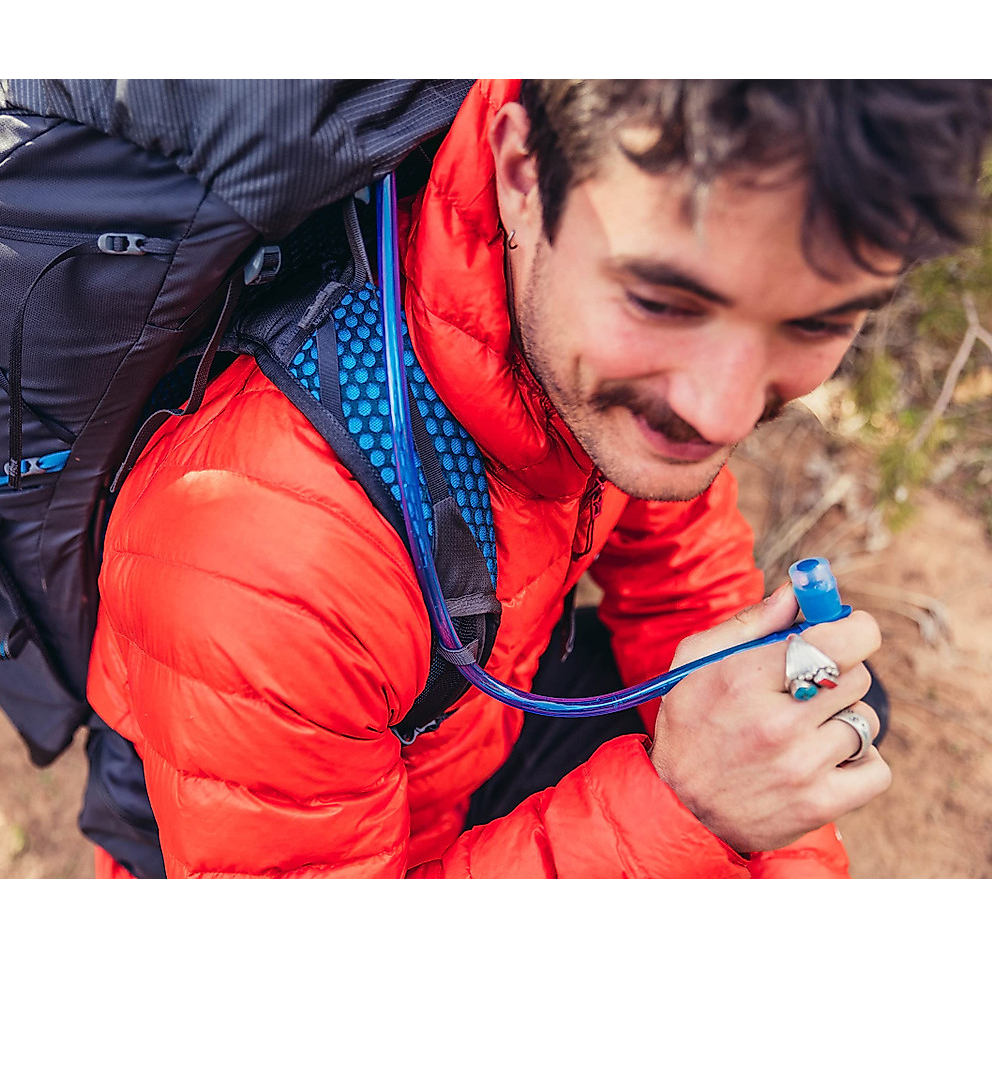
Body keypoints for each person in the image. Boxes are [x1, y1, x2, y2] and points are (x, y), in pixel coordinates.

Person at [86, 79, 992, 878]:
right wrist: (689, 811)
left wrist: (783, 847)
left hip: (470, 736)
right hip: (294, 840)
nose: (720, 413)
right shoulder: (267, 554)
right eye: (662, 303)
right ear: (522, 173)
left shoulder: (598, 348)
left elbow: (691, 594)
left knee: (813, 710)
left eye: (813, 324)